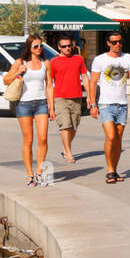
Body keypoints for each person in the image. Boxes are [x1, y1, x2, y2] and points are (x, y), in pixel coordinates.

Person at [88, 32, 130, 184]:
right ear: (108, 44)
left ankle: (114, 170)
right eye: (115, 42)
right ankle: (110, 170)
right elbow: (93, 82)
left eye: (120, 41)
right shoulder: (100, 60)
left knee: (118, 139)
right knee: (111, 136)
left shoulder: (128, 58)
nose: (118, 44)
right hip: (105, 104)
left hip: (122, 105)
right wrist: (93, 104)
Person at [5, 34, 51, 187]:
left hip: (41, 103)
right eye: (35, 46)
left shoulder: (46, 63)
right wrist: (18, 71)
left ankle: (39, 172)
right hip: (24, 104)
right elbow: (5, 80)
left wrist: (51, 106)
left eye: (41, 46)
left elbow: (49, 86)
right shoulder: (20, 62)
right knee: (29, 140)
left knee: (43, 138)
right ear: (29, 48)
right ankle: (29, 173)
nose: (39, 49)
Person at [48, 35, 89, 163]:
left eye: (69, 46)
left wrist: (90, 97)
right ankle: (69, 153)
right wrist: (50, 106)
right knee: (65, 126)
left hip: (77, 97)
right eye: (64, 46)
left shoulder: (79, 59)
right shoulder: (53, 62)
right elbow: (49, 85)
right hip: (60, 98)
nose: (67, 48)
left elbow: (85, 78)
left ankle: (65, 146)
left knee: (74, 127)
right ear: (59, 48)